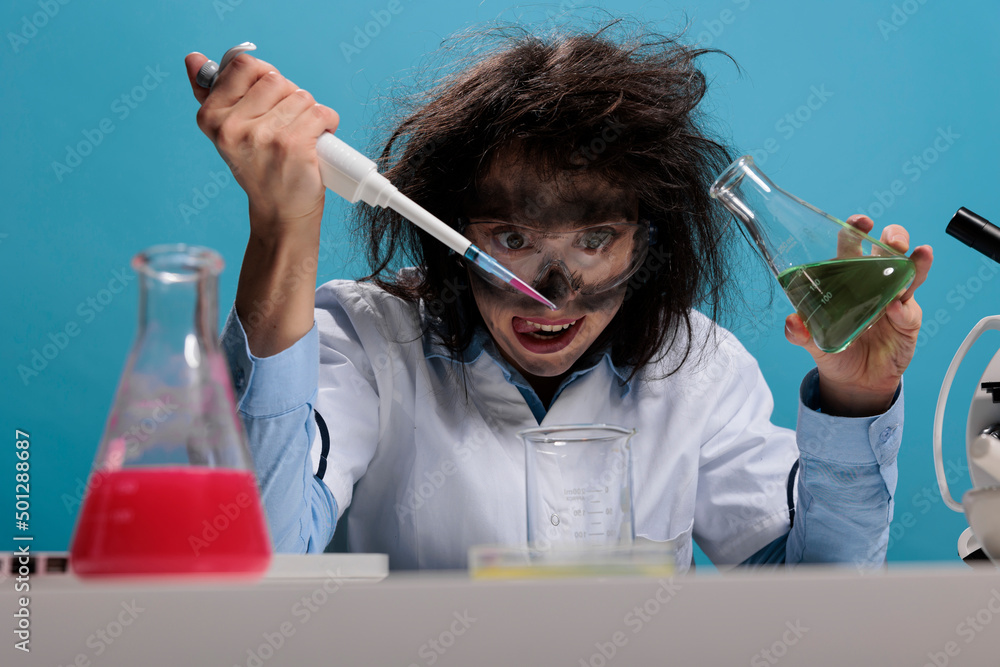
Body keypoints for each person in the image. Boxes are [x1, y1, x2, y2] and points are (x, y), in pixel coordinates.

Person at [184, 24, 933, 571]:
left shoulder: (694, 367)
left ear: (648, 241)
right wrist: (283, 228)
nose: (551, 294)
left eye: (595, 238)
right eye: (511, 238)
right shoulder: (366, 340)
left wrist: (854, 400)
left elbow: (820, 607)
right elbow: (249, 557)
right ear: (449, 229)